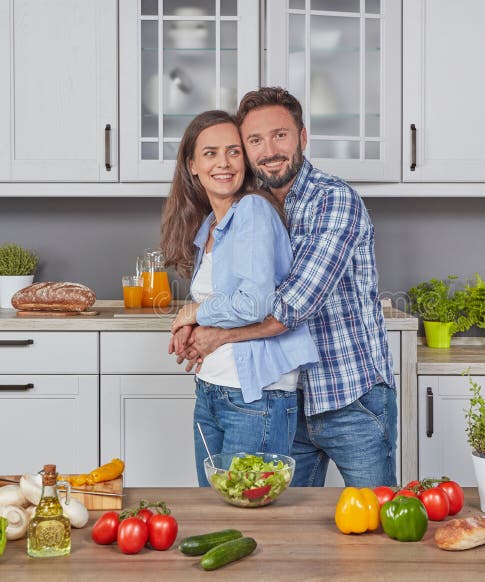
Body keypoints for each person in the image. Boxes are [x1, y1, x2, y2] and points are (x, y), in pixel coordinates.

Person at [171, 88, 397, 487]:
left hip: (348, 396)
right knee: (289, 532)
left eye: (280, 135)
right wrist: (203, 327)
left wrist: (214, 333)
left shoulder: (333, 200)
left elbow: (291, 307)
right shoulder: (247, 208)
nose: (268, 150)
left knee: (376, 522)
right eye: (255, 141)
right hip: (286, 398)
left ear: (303, 138)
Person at [160, 110, 318, 486]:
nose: (224, 163)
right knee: (217, 513)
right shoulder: (208, 225)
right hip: (213, 389)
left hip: (255, 397)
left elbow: (254, 303)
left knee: (247, 521)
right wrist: (194, 323)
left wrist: (194, 311)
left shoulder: (253, 211)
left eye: (233, 151)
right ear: (192, 165)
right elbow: (224, 299)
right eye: (211, 153)